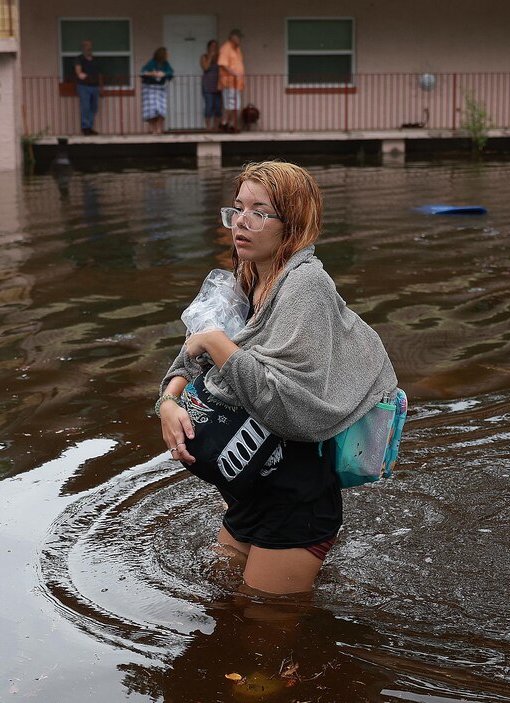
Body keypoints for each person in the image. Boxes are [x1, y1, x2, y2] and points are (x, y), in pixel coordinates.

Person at [156, 161, 397, 596]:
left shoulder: (306, 286)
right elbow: (189, 354)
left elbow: (288, 405)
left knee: (265, 627)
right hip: (249, 486)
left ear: (294, 224)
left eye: (259, 212)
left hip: (295, 496)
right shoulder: (245, 278)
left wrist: (215, 343)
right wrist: (167, 403)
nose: (241, 223)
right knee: (224, 600)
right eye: (237, 210)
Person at [216, 29, 246, 133]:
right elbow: (222, 64)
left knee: (236, 105)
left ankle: (232, 125)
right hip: (229, 82)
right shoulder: (226, 48)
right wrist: (233, 73)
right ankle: (226, 124)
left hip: (237, 83)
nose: (240, 40)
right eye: (239, 38)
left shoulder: (237, 49)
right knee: (230, 104)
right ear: (233, 37)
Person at [140, 47, 174, 135]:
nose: (167, 55)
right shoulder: (152, 63)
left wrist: (164, 74)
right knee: (152, 109)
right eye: (166, 54)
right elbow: (142, 72)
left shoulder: (166, 64)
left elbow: (171, 72)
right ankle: (154, 129)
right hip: (149, 88)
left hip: (160, 88)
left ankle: (159, 129)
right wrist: (152, 73)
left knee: (161, 109)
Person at [73, 39, 102, 135]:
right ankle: (85, 127)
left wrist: (101, 87)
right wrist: (80, 74)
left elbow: (99, 74)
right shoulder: (79, 59)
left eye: (90, 46)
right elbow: (78, 70)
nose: (89, 48)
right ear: (83, 48)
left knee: (94, 107)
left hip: (95, 86)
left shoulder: (95, 60)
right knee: (85, 106)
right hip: (84, 86)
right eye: (86, 46)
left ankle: (89, 126)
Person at [199, 40, 222, 132]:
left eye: (216, 46)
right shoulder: (204, 57)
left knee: (218, 107)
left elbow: (221, 70)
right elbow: (205, 67)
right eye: (212, 46)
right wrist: (210, 57)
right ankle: (208, 126)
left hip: (217, 85)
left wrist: (220, 83)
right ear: (208, 47)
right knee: (209, 106)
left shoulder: (220, 58)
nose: (214, 48)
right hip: (207, 85)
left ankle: (216, 126)